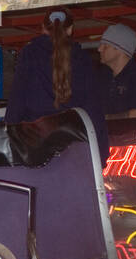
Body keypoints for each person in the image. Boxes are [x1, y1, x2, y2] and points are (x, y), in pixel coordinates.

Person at [6, 10, 109, 158]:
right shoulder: (82, 59)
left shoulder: (29, 55)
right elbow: (93, 109)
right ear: (70, 29)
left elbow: (16, 104)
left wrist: (11, 146)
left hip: (36, 147)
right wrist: (101, 154)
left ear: (43, 28)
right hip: (74, 148)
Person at [97, 22, 136, 119]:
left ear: (119, 49)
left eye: (105, 46)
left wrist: (105, 119)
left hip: (132, 133)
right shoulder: (102, 76)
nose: (99, 49)